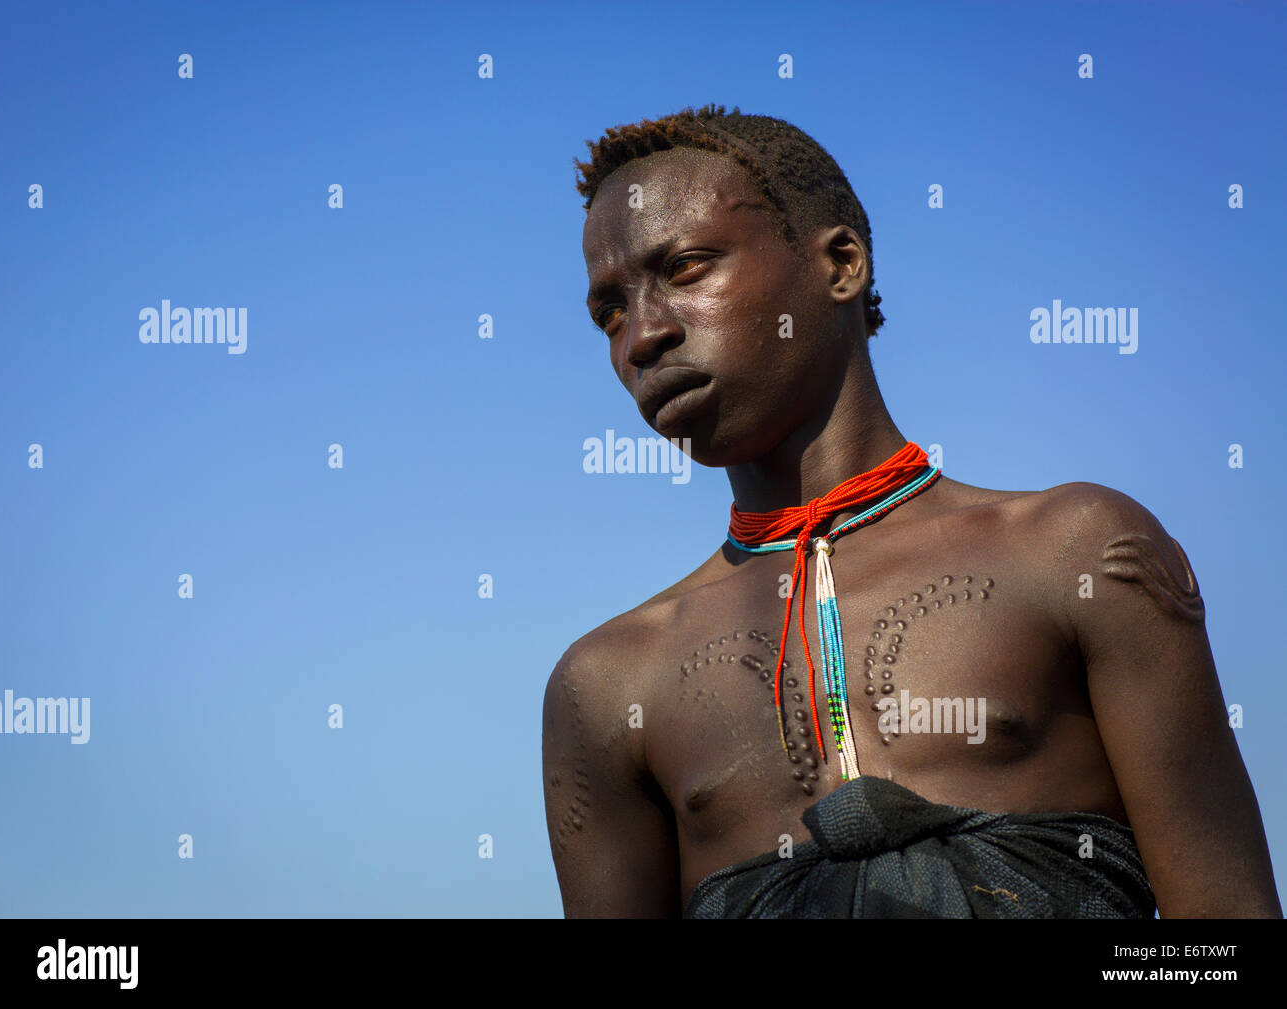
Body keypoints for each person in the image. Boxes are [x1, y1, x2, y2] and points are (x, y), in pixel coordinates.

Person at [541, 104, 1281, 918]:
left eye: (684, 268)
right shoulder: (607, 685)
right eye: (608, 309)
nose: (641, 336)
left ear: (842, 264)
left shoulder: (1079, 554)